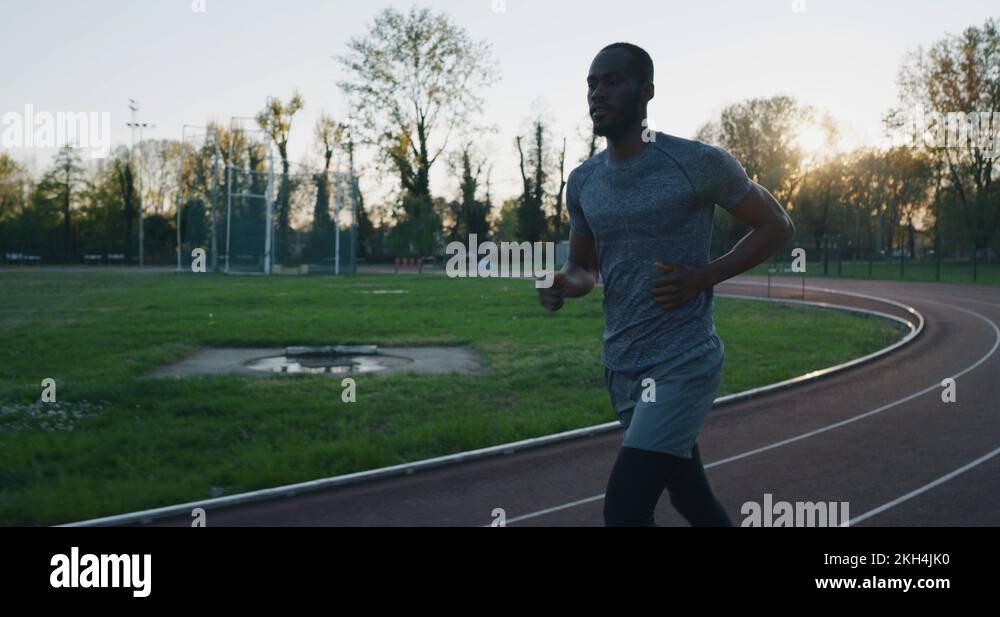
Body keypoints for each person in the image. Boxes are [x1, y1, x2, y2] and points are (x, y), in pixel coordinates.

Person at [538, 42, 794, 527]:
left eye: (612, 81)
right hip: (622, 365)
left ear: (647, 92)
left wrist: (704, 277)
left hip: (683, 361)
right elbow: (582, 270)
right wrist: (560, 283)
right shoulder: (583, 181)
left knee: (626, 508)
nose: (598, 93)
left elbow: (778, 225)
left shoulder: (697, 162)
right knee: (691, 499)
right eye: (592, 84)